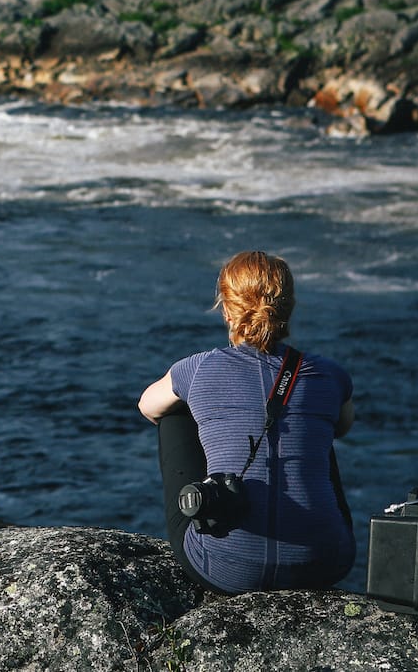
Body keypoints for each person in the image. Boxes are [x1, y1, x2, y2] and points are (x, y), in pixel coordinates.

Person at [139, 250, 355, 594]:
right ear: (289, 307)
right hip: (324, 564)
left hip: (226, 571)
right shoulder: (330, 374)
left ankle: (215, 523)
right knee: (317, 430)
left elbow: (147, 406)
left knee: (173, 414)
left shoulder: (196, 368)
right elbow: (344, 426)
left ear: (226, 309)